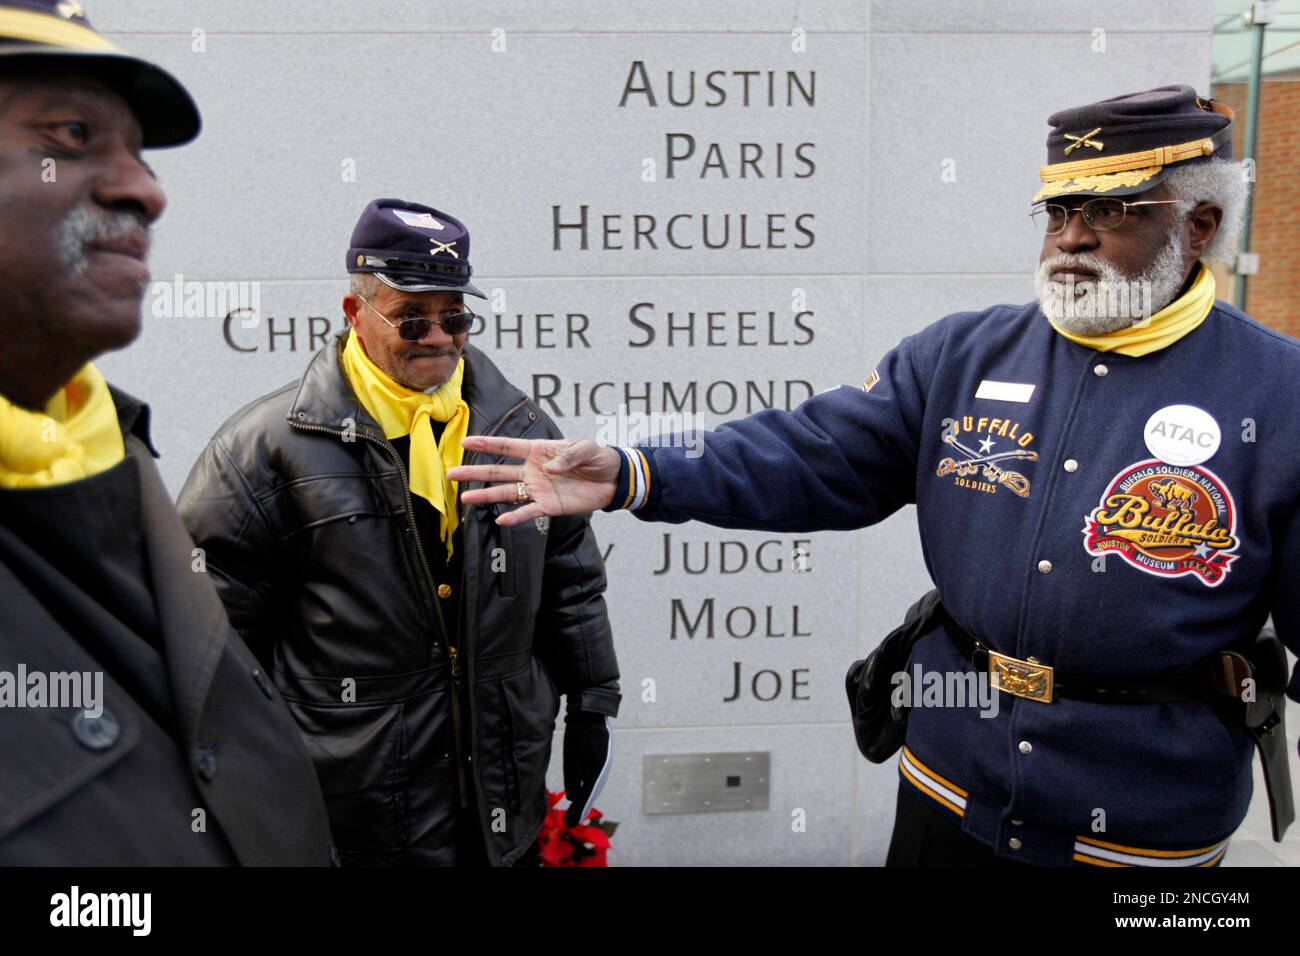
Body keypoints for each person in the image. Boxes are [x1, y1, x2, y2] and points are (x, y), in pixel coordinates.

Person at [449, 86, 1300, 867]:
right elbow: (814, 454)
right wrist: (637, 472)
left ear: (1197, 224)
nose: (1072, 235)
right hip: (949, 779)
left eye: (1112, 209)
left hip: (1147, 824)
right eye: (1059, 210)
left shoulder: (1280, 394)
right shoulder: (964, 354)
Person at [178, 198, 620, 866]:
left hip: (502, 806)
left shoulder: (522, 433)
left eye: (455, 318)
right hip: (351, 816)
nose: (438, 337)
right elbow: (211, 638)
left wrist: (592, 704)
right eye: (412, 318)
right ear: (356, 313)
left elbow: (572, 585)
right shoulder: (264, 450)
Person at [0, 0, 332, 864]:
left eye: (139, 152)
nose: (146, 190)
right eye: (71, 134)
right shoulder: (268, 443)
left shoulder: (108, 450)